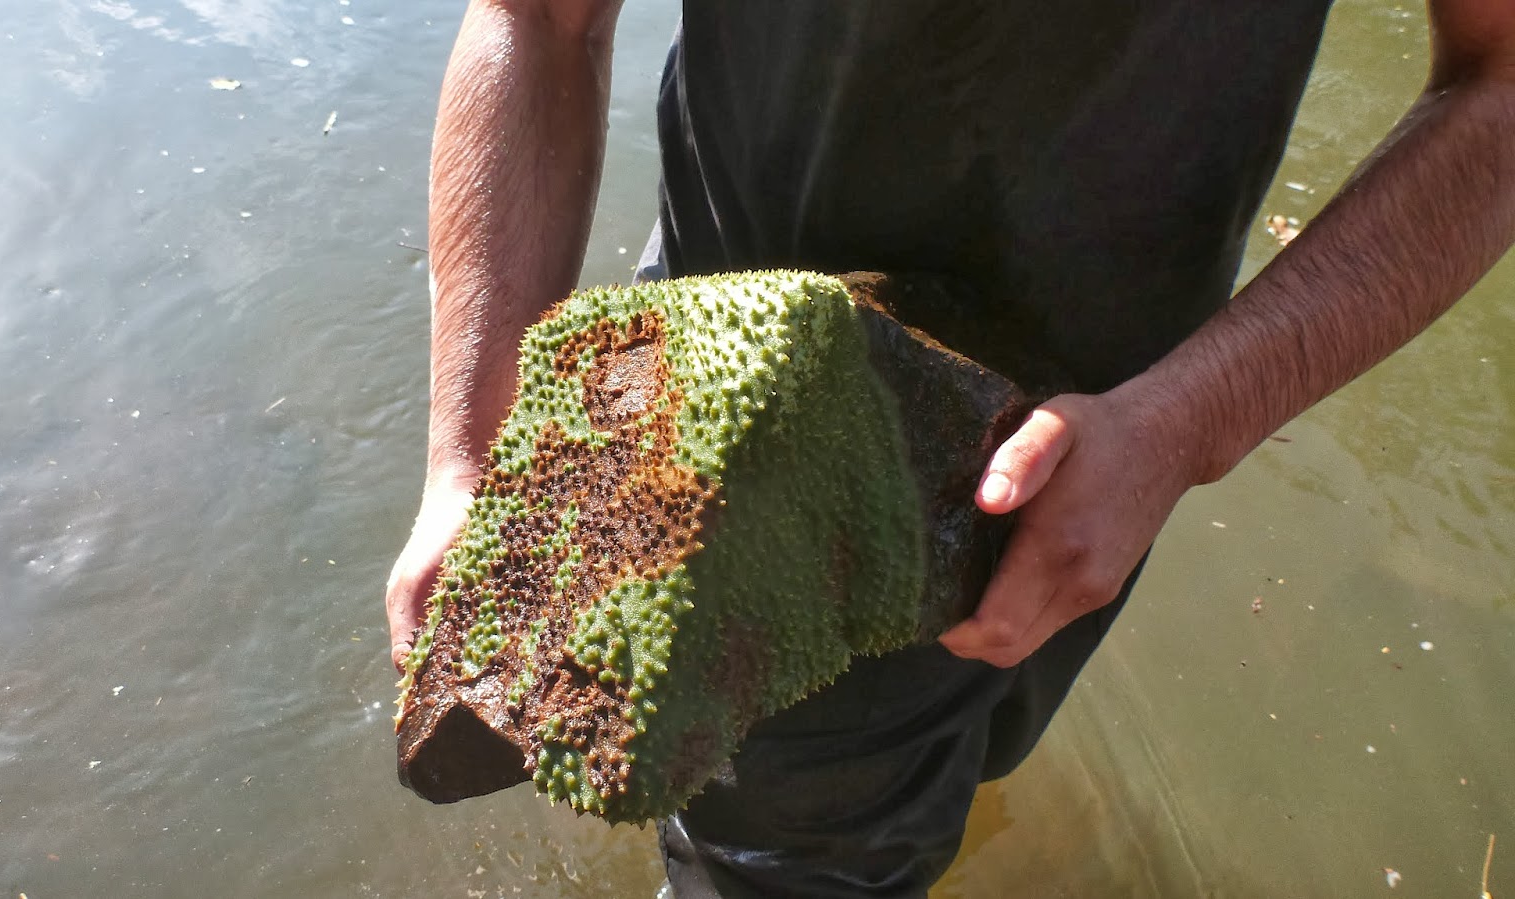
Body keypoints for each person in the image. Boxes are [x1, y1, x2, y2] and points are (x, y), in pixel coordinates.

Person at [385, 2, 1515, 895]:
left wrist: (1185, 424)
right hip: (719, 377)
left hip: (1105, 442)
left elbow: (1499, 72)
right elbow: (539, 16)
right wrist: (470, 452)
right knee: (776, 843)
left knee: (961, 752)